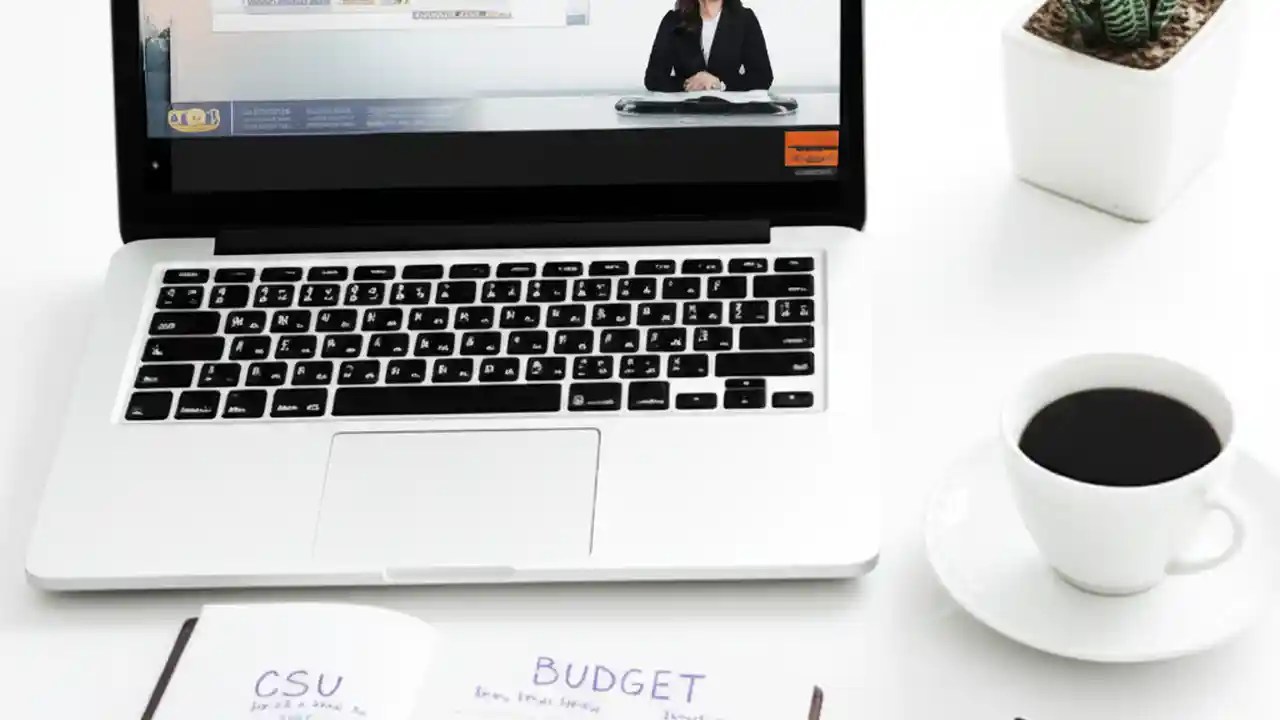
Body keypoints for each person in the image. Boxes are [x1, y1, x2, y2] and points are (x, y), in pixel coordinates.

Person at [644, 0, 774, 93]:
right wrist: (687, 84)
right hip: (685, 116)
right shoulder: (673, 20)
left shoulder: (745, 19)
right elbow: (653, 78)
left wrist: (719, 84)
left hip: (730, 116)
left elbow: (763, 77)